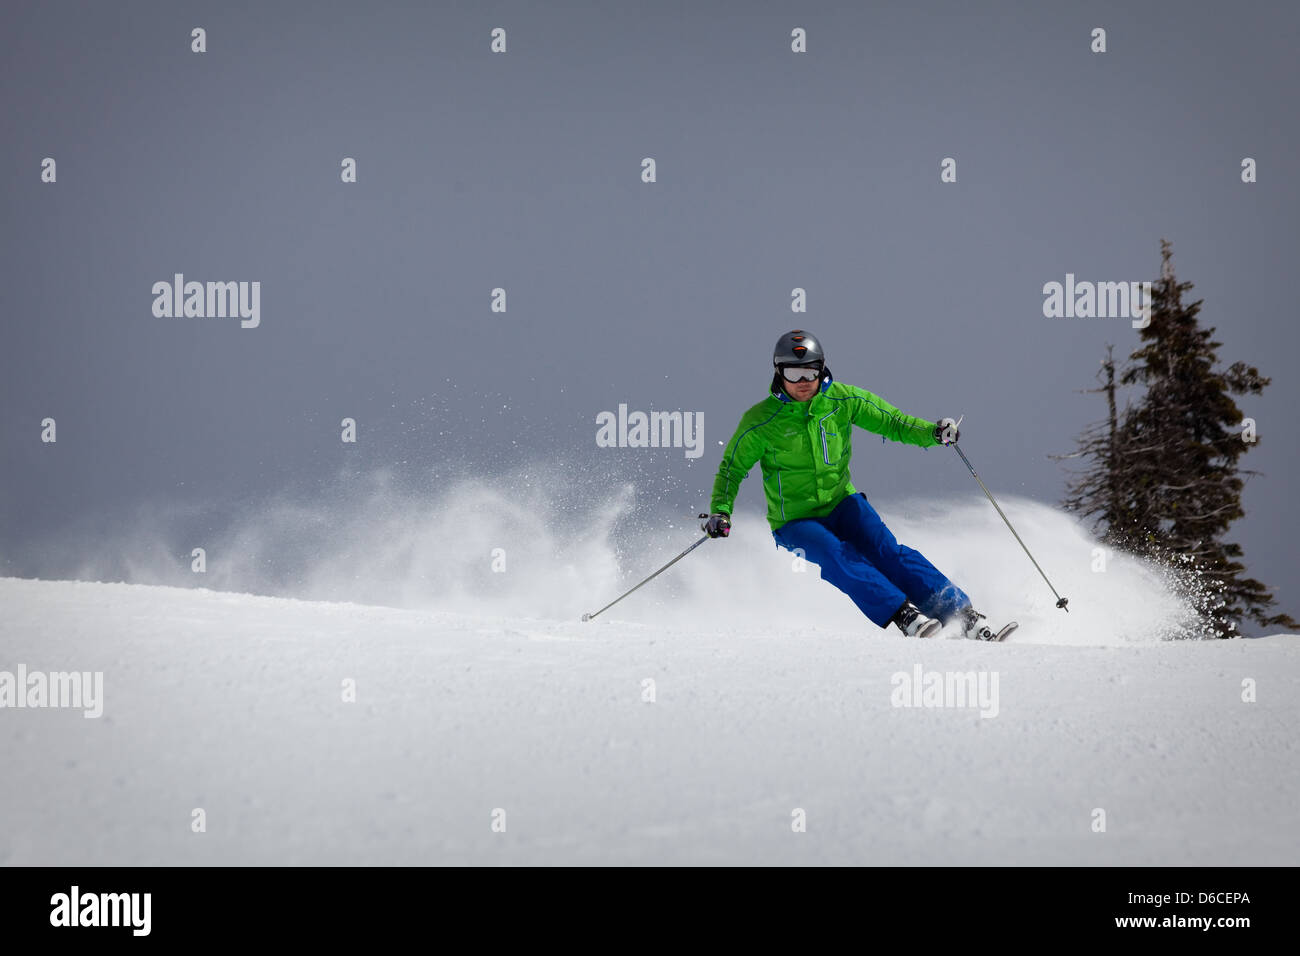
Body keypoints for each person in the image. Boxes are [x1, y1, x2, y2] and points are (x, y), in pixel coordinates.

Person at [702, 329, 1010, 641]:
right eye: (793, 373)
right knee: (835, 554)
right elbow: (731, 470)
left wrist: (933, 433)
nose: (803, 382)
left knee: (887, 551)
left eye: (810, 371)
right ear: (778, 373)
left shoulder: (843, 400)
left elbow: (892, 422)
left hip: (842, 503)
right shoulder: (760, 421)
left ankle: (963, 616)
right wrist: (721, 512)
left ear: (821, 368)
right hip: (795, 520)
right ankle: (906, 616)